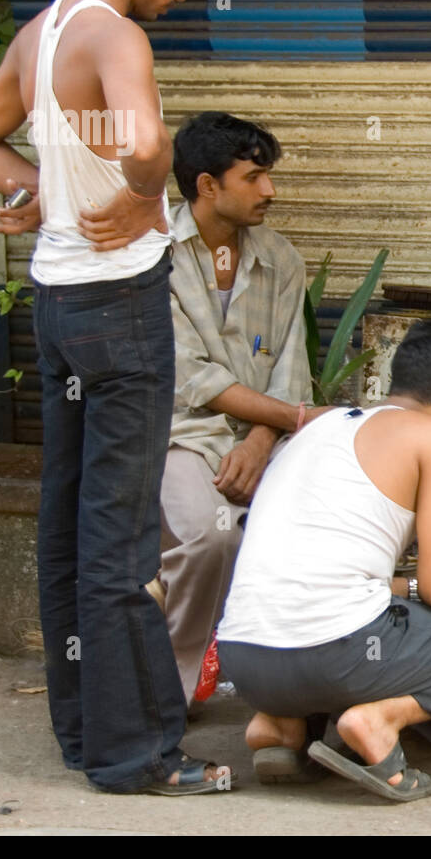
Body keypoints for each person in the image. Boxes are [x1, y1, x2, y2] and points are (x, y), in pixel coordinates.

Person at [0, 0, 230, 794]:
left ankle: (81, 733)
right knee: (123, 546)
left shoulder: (42, 32)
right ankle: (136, 755)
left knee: (68, 530)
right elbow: (149, 142)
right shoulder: (116, 34)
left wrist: (38, 195)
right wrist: (149, 195)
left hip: (58, 310)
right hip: (122, 312)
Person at [216, 318, 431, 803]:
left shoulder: (322, 425)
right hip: (336, 655)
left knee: (348, 626)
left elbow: (331, 574)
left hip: (245, 661)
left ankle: (281, 725)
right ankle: (380, 720)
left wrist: (412, 588)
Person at [160, 112, 308, 708]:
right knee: (209, 537)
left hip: (265, 438)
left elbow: (291, 370)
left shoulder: (281, 260)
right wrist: (285, 422)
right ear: (206, 186)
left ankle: (293, 702)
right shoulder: (153, 260)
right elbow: (192, 376)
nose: (269, 191)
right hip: (180, 437)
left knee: (312, 535)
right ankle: (173, 690)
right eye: (253, 177)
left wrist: (260, 441)